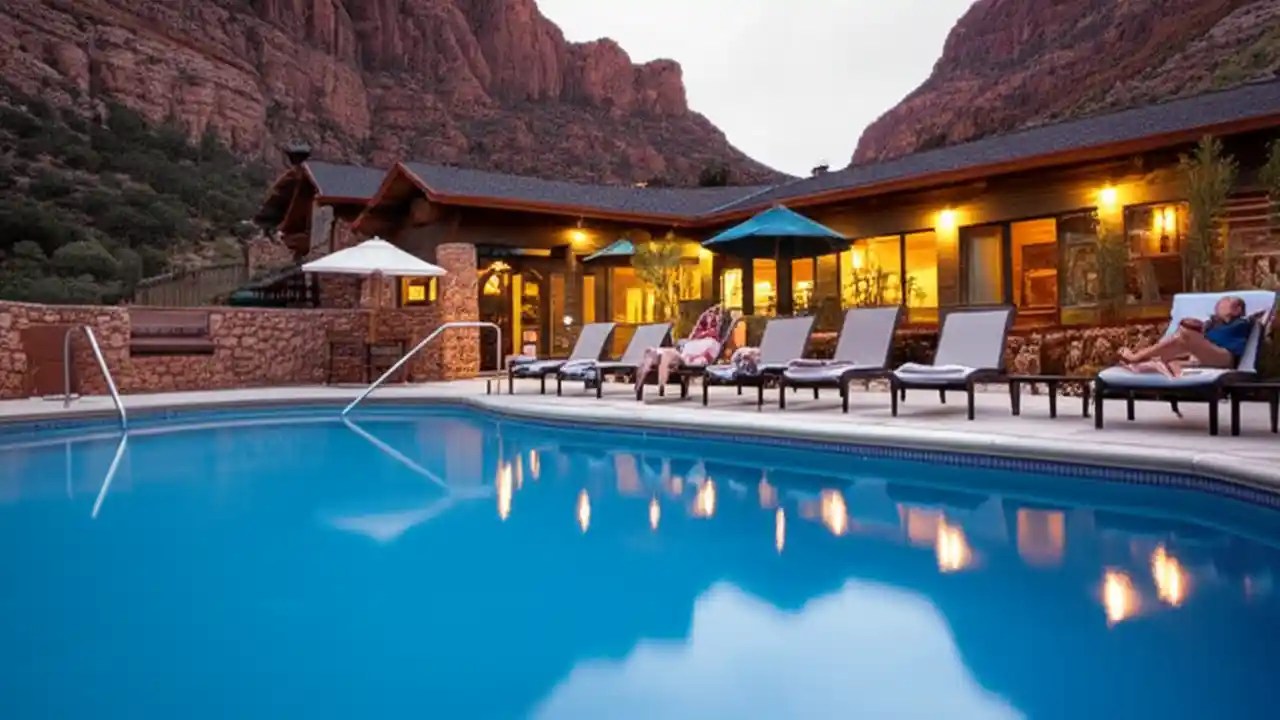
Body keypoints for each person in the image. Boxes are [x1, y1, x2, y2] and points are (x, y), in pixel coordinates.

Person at [1118, 296, 1253, 378]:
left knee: (1185, 334)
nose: (1222, 302)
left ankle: (1136, 357)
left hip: (1225, 357)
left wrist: (1200, 334)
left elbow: (1214, 338)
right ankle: (1139, 362)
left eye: (1228, 300)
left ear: (1238, 309)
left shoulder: (1242, 323)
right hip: (1205, 356)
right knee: (1174, 351)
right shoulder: (1213, 323)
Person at [634, 304, 728, 393]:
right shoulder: (698, 339)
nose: (708, 325)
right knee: (660, 353)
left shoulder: (712, 343)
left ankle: (660, 379)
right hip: (684, 355)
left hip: (686, 359)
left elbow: (705, 358)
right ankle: (655, 362)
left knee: (668, 354)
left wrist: (694, 359)